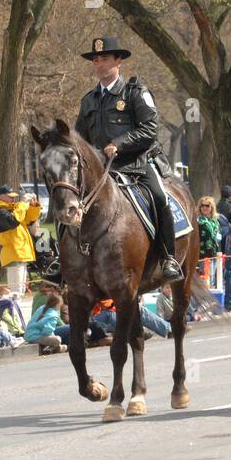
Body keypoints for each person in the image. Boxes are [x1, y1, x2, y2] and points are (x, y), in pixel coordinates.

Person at [75, 35, 183, 282]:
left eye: (105, 59)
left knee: (159, 198)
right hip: (100, 173)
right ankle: (63, 262)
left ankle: (169, 258)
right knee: (71, 204)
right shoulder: (88, 100)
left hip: (134, 166)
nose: (99, 64)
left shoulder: (135, 93)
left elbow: (149, 129)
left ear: (118, 60)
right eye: (96, 60)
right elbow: (80, 138)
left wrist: (118, 144)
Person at [0, 185, 41, 297]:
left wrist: (33, 206)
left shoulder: (14, 209)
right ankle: (15, 313)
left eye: (14, 197)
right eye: (10, 197)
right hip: (13, 254)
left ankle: (18, 312)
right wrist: (22, 204)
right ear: (1, 196)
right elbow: (13, 221)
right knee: (16, 291)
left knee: (21, 289)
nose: (13, 199)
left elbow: (30, 219)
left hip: (21, 254)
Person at [24, 289, 67, 354]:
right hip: (35, 337)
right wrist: (53, 337)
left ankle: (54, 348)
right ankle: (54, 348)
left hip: (28, 335)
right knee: (58, 339)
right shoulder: (53, 315)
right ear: (58, 304)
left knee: (53, 339)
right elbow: (47, 331)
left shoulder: (42, 308)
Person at [196, 195, 222, 283]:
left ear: (212, 207)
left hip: (214, 252)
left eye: (207, 205)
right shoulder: (198, 221)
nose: (204, 208)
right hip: (203, 254)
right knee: (206, 277)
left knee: (213, 277)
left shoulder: (215, 221)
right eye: (202, 205)